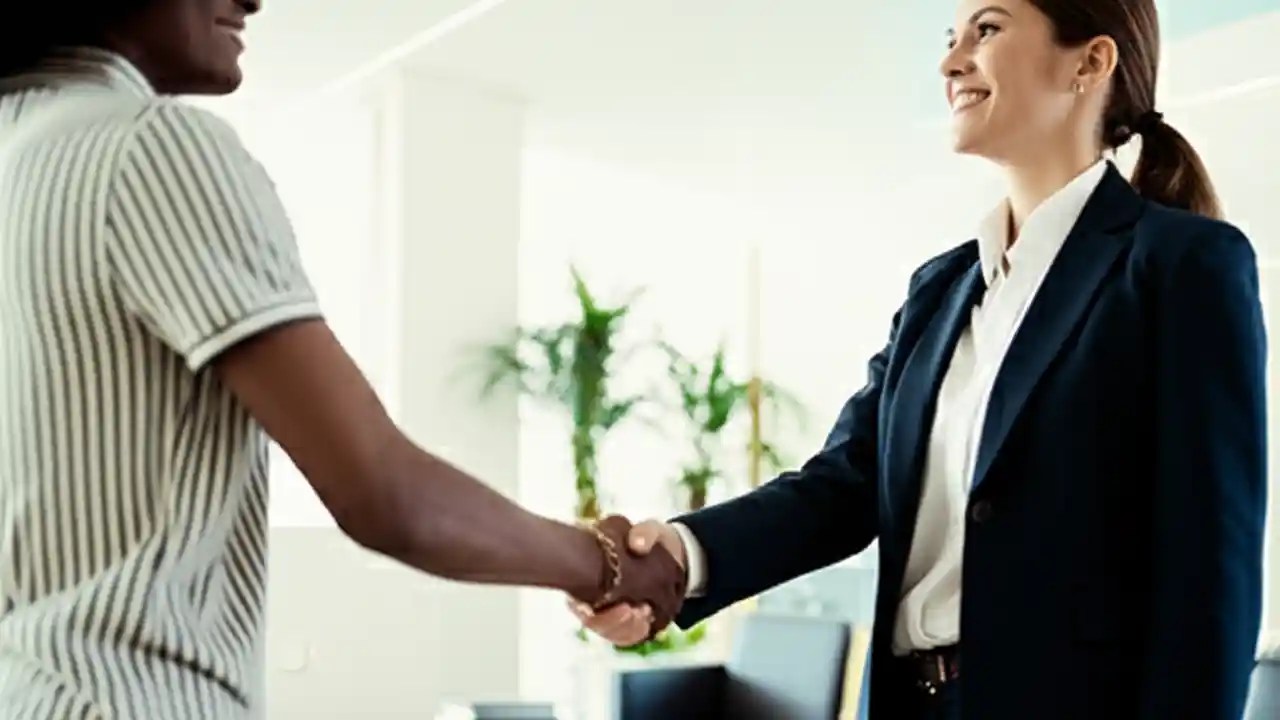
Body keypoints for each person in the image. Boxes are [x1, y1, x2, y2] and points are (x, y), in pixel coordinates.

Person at [573, 0, 1268, 718]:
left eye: (987, 30)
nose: (951, 61)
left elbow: (1210, 577)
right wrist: (683, 557)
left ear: (1090, 62)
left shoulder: (1182, 265)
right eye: (950, 37)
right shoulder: (940, 289)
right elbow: (843, 487)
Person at [0, 2, 686, 718]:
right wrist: (602, 564)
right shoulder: (149, 147)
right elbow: (386, 494)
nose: (251, 0)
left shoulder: (19, 155)